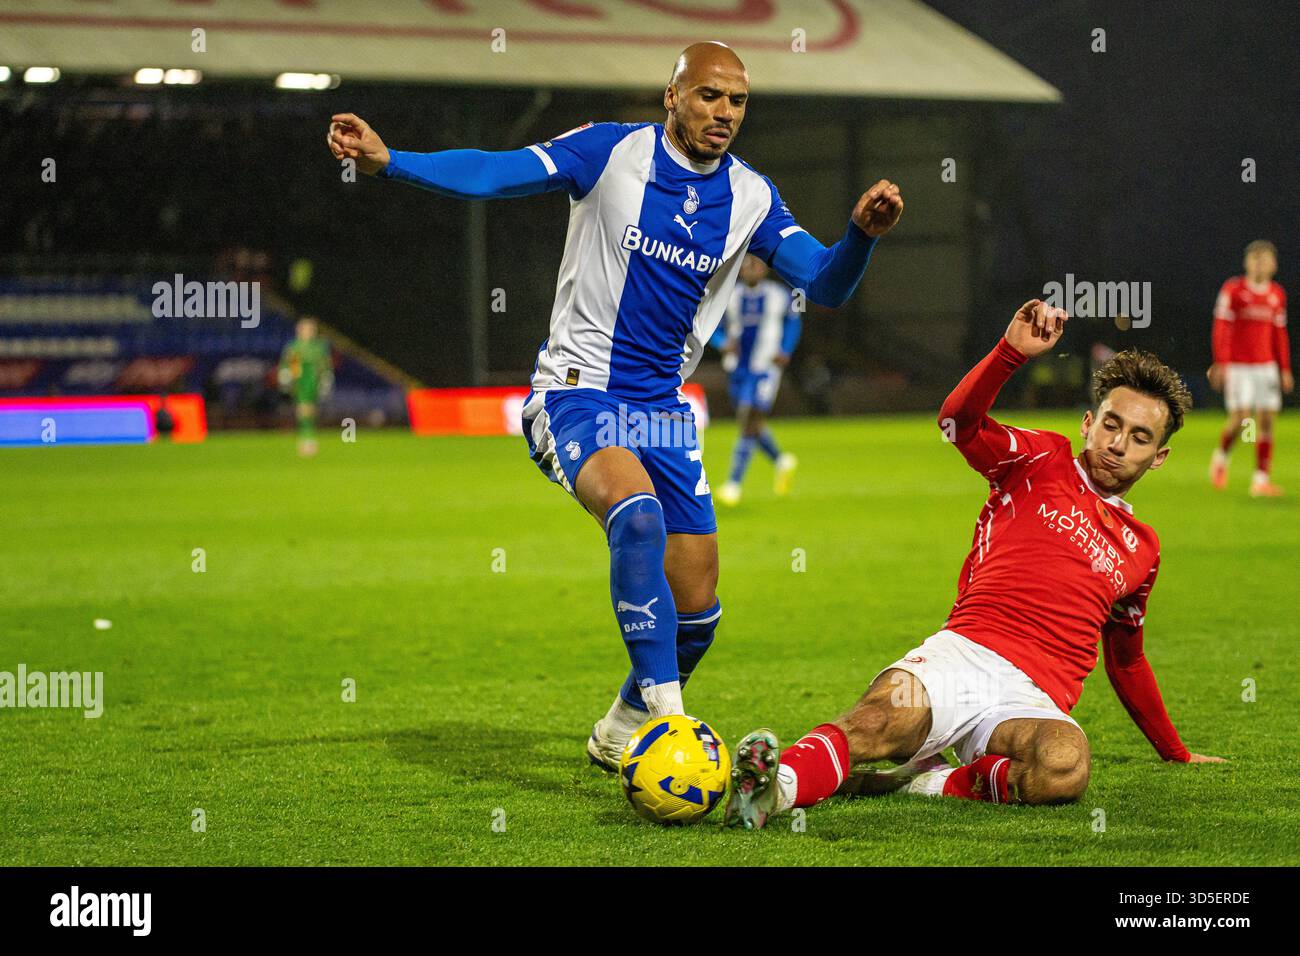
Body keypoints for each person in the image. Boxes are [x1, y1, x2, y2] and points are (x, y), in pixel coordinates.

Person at [326, 42, 904, 769]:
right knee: (636, 516)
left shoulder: (752, 197)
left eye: (738, 101)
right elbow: (496, 174)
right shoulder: (607, 153)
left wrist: (861, 237)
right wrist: (393, 160)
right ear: (672, 96)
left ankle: (620, 727)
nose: (724, 113)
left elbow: (823, 282)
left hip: (662, 413)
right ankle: (671, 728)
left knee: (697, 615)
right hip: (577, 392)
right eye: (708, 96)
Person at [725, 299, 1223, 829]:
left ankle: (929, 780)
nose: (1118, 445)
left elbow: (1126, 660)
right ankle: (772, 791)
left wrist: (1175, 751)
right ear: (1088, 423)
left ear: (1159, 456)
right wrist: (1009, 353)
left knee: (1065, 766)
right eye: (1111, 425)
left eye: (1140, 437)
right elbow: (957, 423)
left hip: (1032, 701)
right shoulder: (1039, 458)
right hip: (962, 656)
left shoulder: (1142, 547)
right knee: (878, 720)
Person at [717, 254, 802, 506]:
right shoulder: (729, 296)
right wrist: (722, 343)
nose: (750, 269)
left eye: (755, 264)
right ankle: (781, 460)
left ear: (764, 268)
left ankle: (734, 484)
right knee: (751, 424)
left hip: (766, 369)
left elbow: (793, 323)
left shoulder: (780, 295)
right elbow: (710, 326)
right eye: (746, 265)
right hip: (737, 369)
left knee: (749, 418)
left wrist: (785, 349)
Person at [1208, 240, 1291, 496]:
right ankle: (1221, 458)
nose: (1259, 264)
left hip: (1265, 367)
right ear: (1247, 262)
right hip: (1238, 367)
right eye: (1255, 259)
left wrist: (1284, 368)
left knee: (1266, 421)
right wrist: (1220, 363)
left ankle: (1260, 479)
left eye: (1264, 259)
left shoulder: (1277, 294)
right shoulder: (1233, 290)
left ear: (1273, 265)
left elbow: (1280, 334)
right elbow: (1220, 327)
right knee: (1243, 419)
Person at [278, 316, 333, 457]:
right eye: (305, 329)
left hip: (313, 378)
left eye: (311, 329)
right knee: (303, 409)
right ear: (299, 330)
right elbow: (289, 363)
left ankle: (307, 440)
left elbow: (324, 365)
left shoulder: (319, 347)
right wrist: (286, 376)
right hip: (300, 379)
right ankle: (307, 440)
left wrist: (326, 379)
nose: (308, 332)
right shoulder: (294, 346)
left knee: (308, 409)